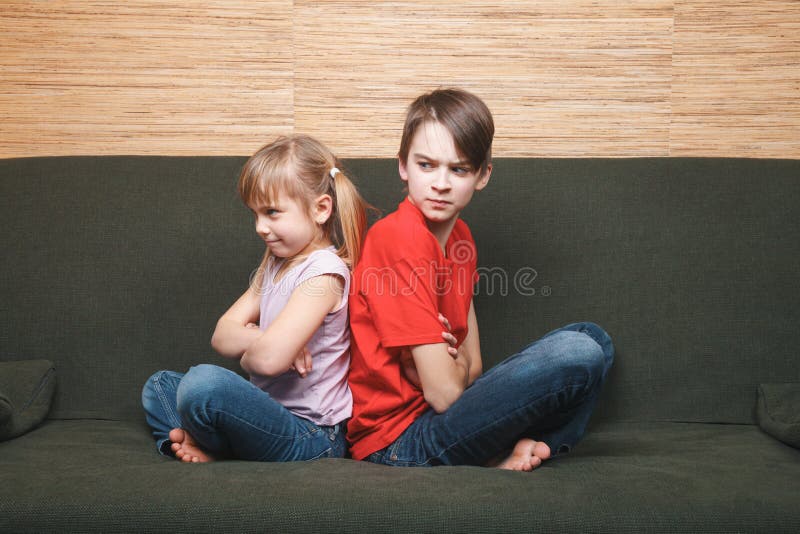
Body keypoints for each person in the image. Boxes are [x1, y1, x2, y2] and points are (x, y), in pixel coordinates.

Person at [347, 88, 614, 470]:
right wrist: (446, 369)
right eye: (426, 165)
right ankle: (508, 451)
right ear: (403, 166)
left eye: (459, 169)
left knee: (594, 339)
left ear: (482, 175)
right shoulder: (398, 238)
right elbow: (444, 393)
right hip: (398, 441)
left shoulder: (461, 240)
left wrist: (441, 362)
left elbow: (472, 370)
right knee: (577, 352)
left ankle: (526, 446)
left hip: (444, 416)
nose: (440, 183)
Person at [142, 134, 369, 463]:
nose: (260, 227)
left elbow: (265, 362)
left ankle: (206, 445)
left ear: (321, 209)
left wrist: (262, 351)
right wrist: (266, 338)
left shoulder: (324, 272)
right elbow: (221, 335)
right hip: (265, 413)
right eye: (255, 214)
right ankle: (206, 445)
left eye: (272, 212)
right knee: (160, 384)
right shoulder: (275, 264)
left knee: (203, 383)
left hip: (312, 434)